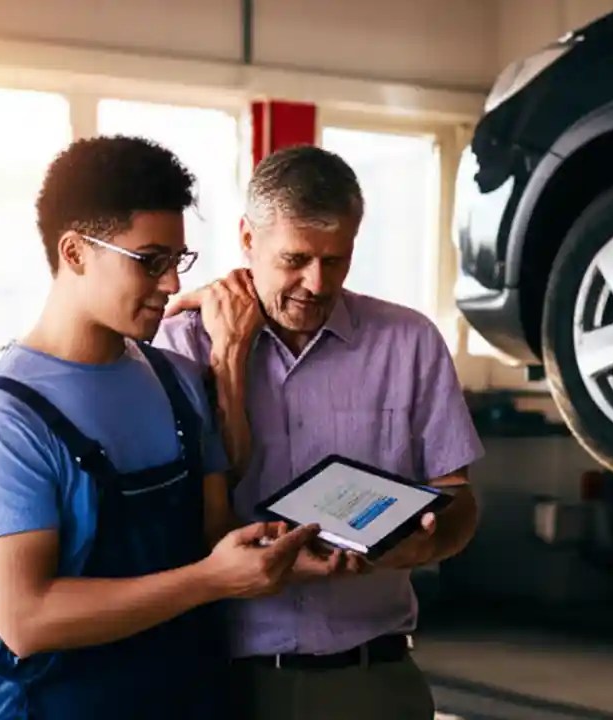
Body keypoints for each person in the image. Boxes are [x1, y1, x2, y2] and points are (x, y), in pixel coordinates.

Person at [0, 135, 320, 720]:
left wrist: (275, 558)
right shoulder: (4, 421)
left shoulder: (177, 381)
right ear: (74, 252)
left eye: (178, 262)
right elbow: (27, 619)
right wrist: (211, 580)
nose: (171, 284)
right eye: (150, 261)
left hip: (191, 698)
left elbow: (212, 532)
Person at [156, 144, 485, 719]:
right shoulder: (182, 343)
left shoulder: (408, 342)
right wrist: (230, 354)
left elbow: (458, 498)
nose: (315, 282)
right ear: (247, 240)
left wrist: (424, 544)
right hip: (229, 679)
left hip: (374, 678)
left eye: (336, 260)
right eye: (295, 259)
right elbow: (172, 517)